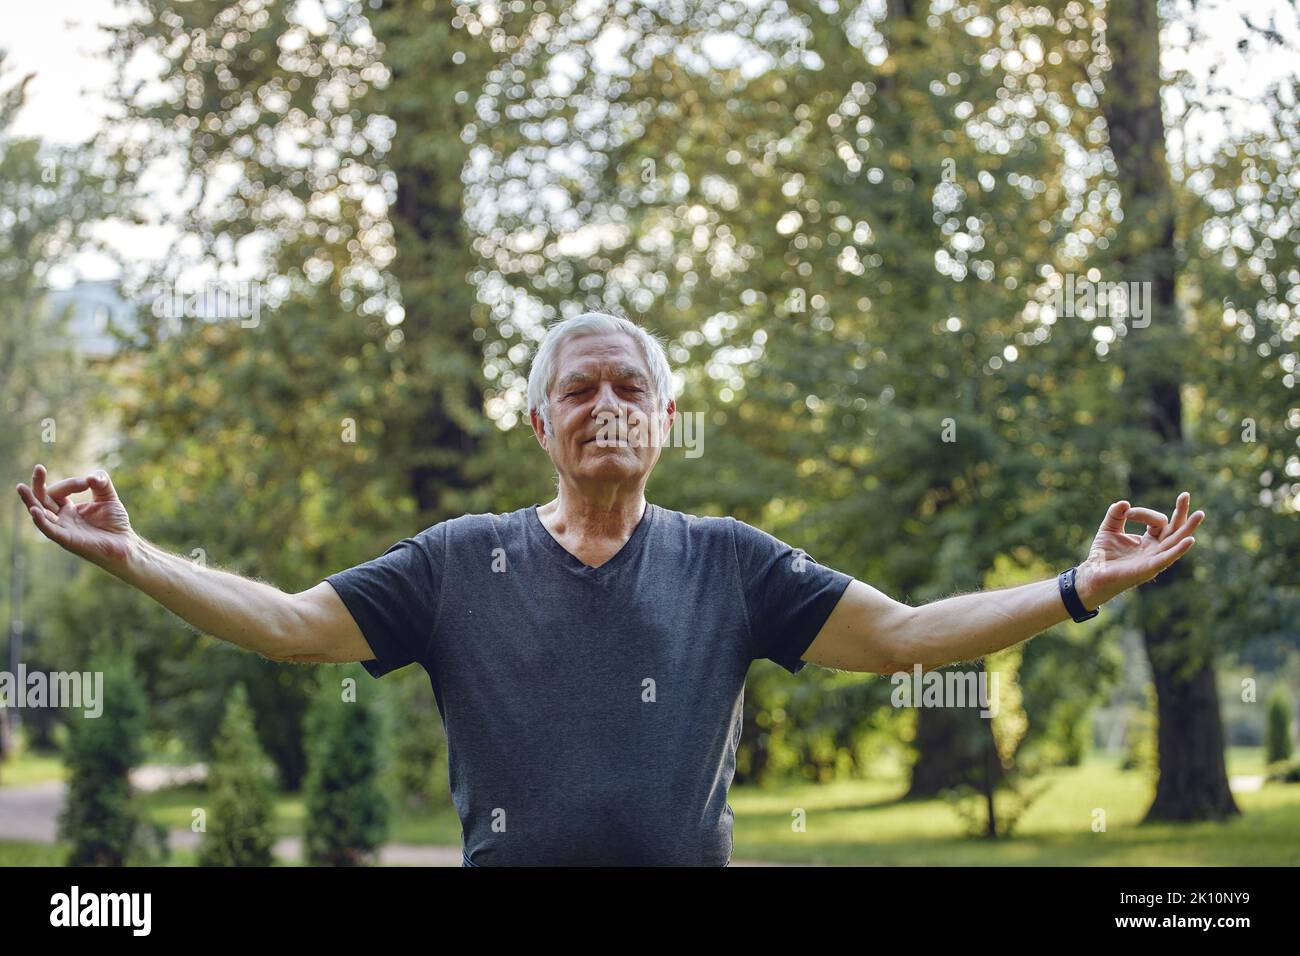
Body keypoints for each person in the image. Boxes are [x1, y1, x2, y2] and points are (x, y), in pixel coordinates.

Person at [16, 311, 1204, 866]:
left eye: (629, 386)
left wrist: (1075, 584)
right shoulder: (454, 560)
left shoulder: (730, 560)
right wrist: (136, 553)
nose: (606, 406)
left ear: (665, 418)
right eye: (578, 389)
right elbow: (287, 625)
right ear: (540, 423)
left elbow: (902, 636)